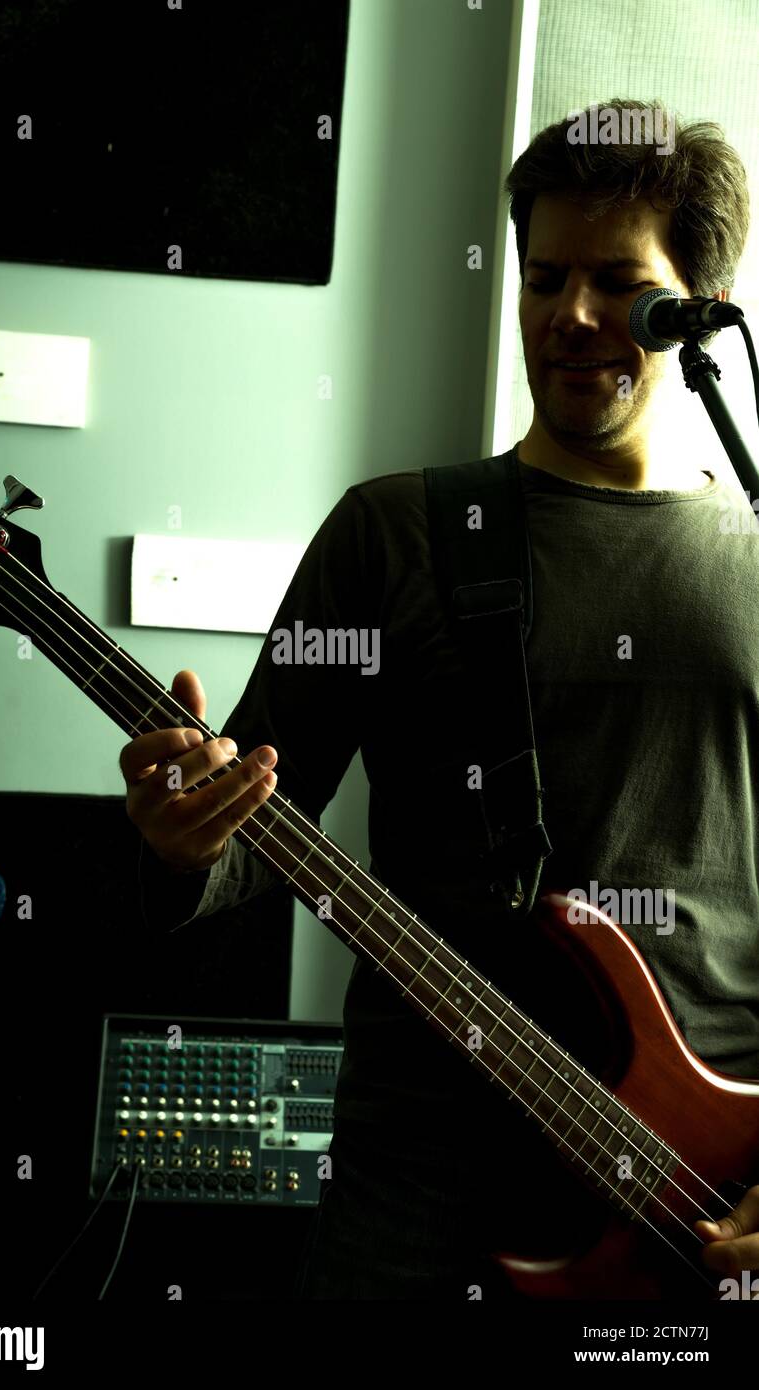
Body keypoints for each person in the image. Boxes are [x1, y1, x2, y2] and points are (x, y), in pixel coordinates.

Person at [120, 98, 759, 1298]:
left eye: (614, 282)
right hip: (420, 1198)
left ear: (697, 309)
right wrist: (179, 840)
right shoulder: (397, 532)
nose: (567, 315)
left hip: (702, 1202)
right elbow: (257, 814)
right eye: (542, 278)